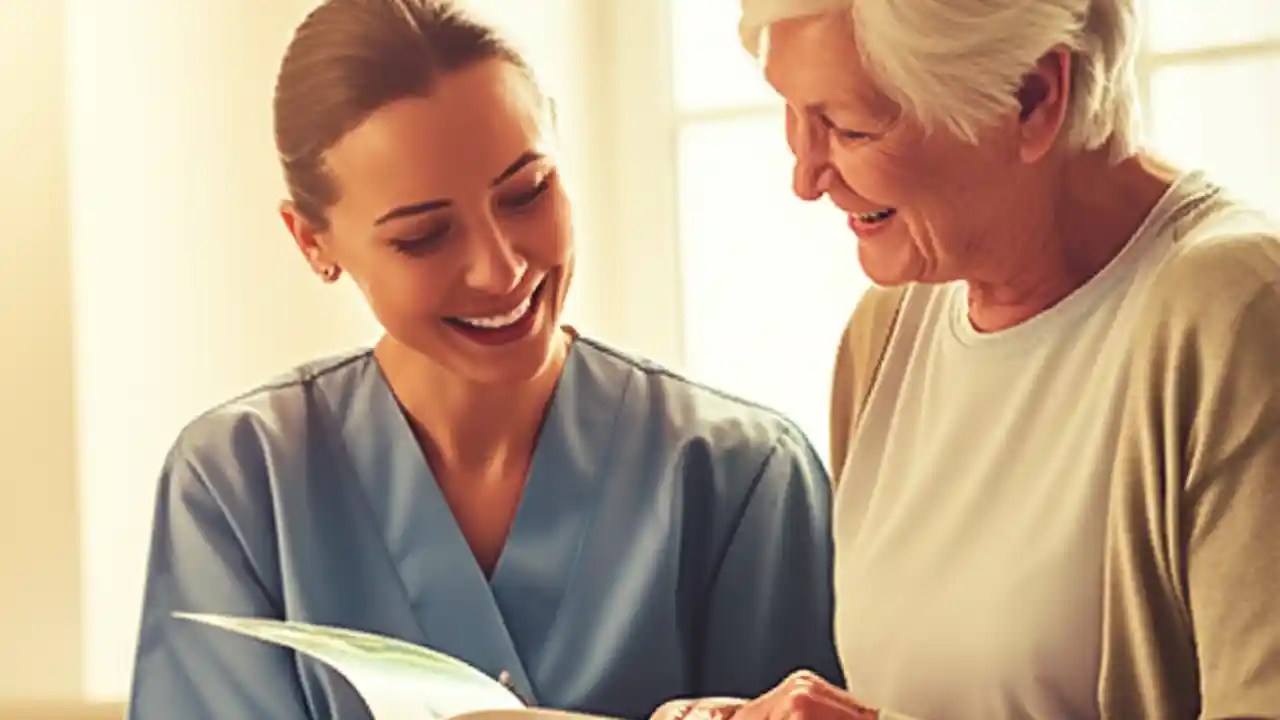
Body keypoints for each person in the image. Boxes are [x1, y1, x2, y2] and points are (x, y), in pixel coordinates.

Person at [126, 1, 843, 718]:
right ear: (312, 241)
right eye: (424, 236)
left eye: (527, 194)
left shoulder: (740, 475)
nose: (501, 271)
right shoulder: (239, 483)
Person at [656, 0, 1280, 719]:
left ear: (1033, 97)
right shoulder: (887, 334)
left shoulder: (1237, 314)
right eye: (793, 114)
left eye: (851, 127)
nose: (806, 175)